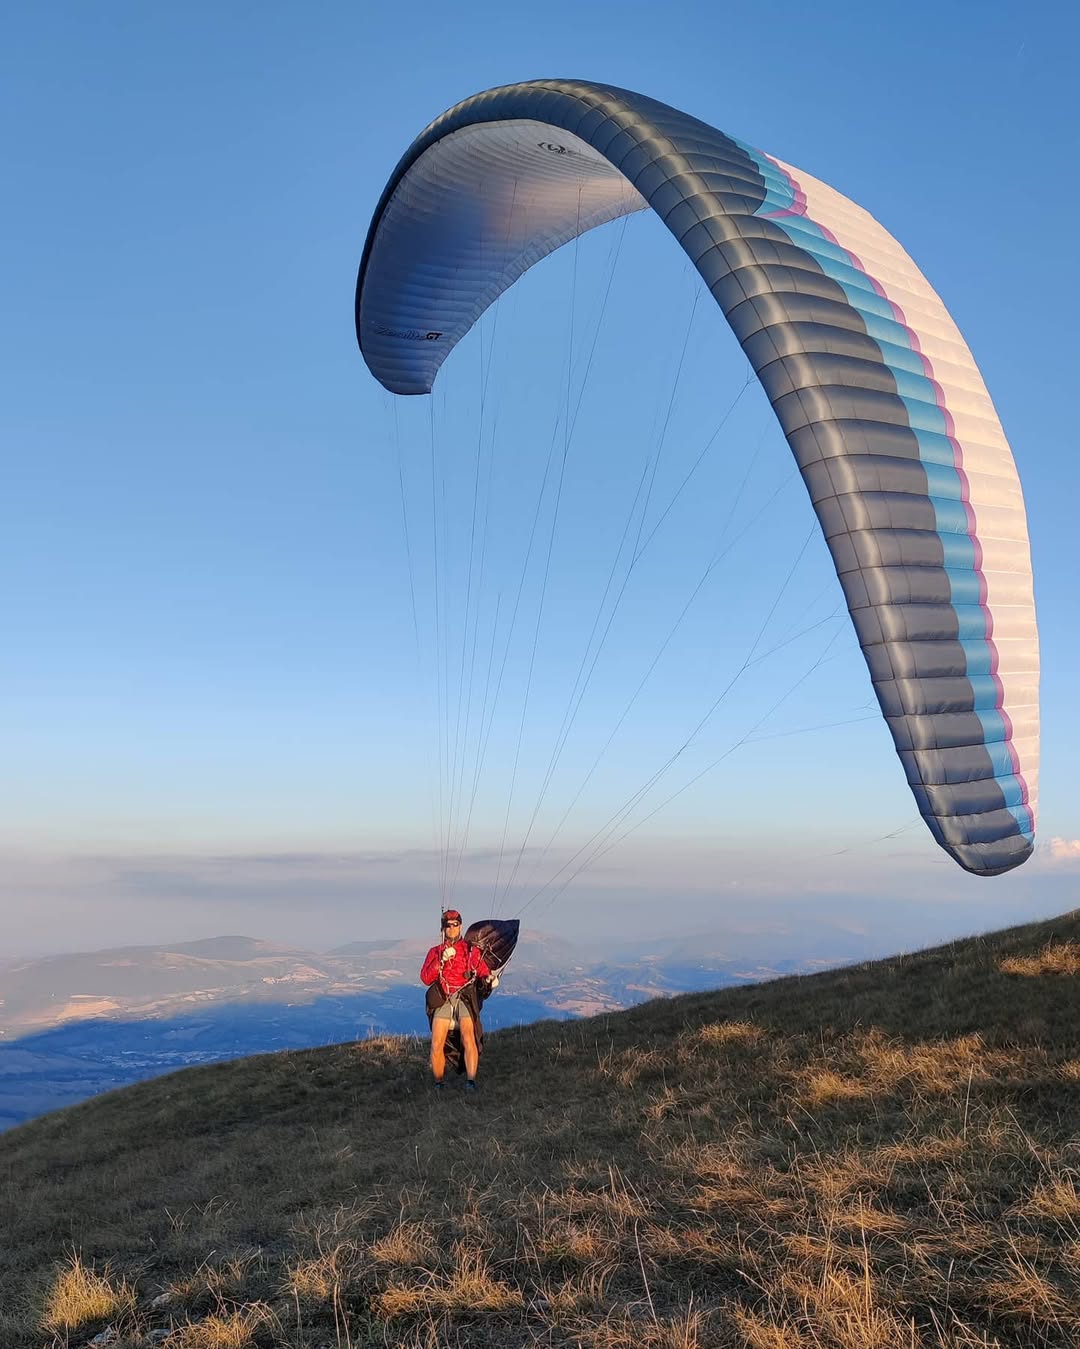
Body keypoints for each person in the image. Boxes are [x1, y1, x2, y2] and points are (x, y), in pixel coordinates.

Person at [420, 909, 491, 1091]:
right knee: (437, 1042)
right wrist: (440, 962)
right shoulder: (435, 952)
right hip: (443, 998)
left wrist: (489, 979)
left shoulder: (470, 950)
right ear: (443, 928)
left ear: (460, 925)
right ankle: (438, 1083)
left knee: (469, 1037)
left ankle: (471, 1081)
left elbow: (482, 970)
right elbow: (426, 978)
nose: (452, 929)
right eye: (448, 926)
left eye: (455, 925)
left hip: (464, 997)